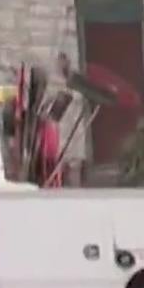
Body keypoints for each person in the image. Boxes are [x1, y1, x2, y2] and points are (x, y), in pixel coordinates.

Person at [52, 52, 89, 187]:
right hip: (61, 126)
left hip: (75, 124)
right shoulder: (55, 83)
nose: (63, 65)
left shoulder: (76, 81)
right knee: (60, 160)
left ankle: (77, 191)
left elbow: (81, 97)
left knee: (75, 162)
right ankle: (59, 189)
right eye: (60, 62)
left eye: (65, 62)